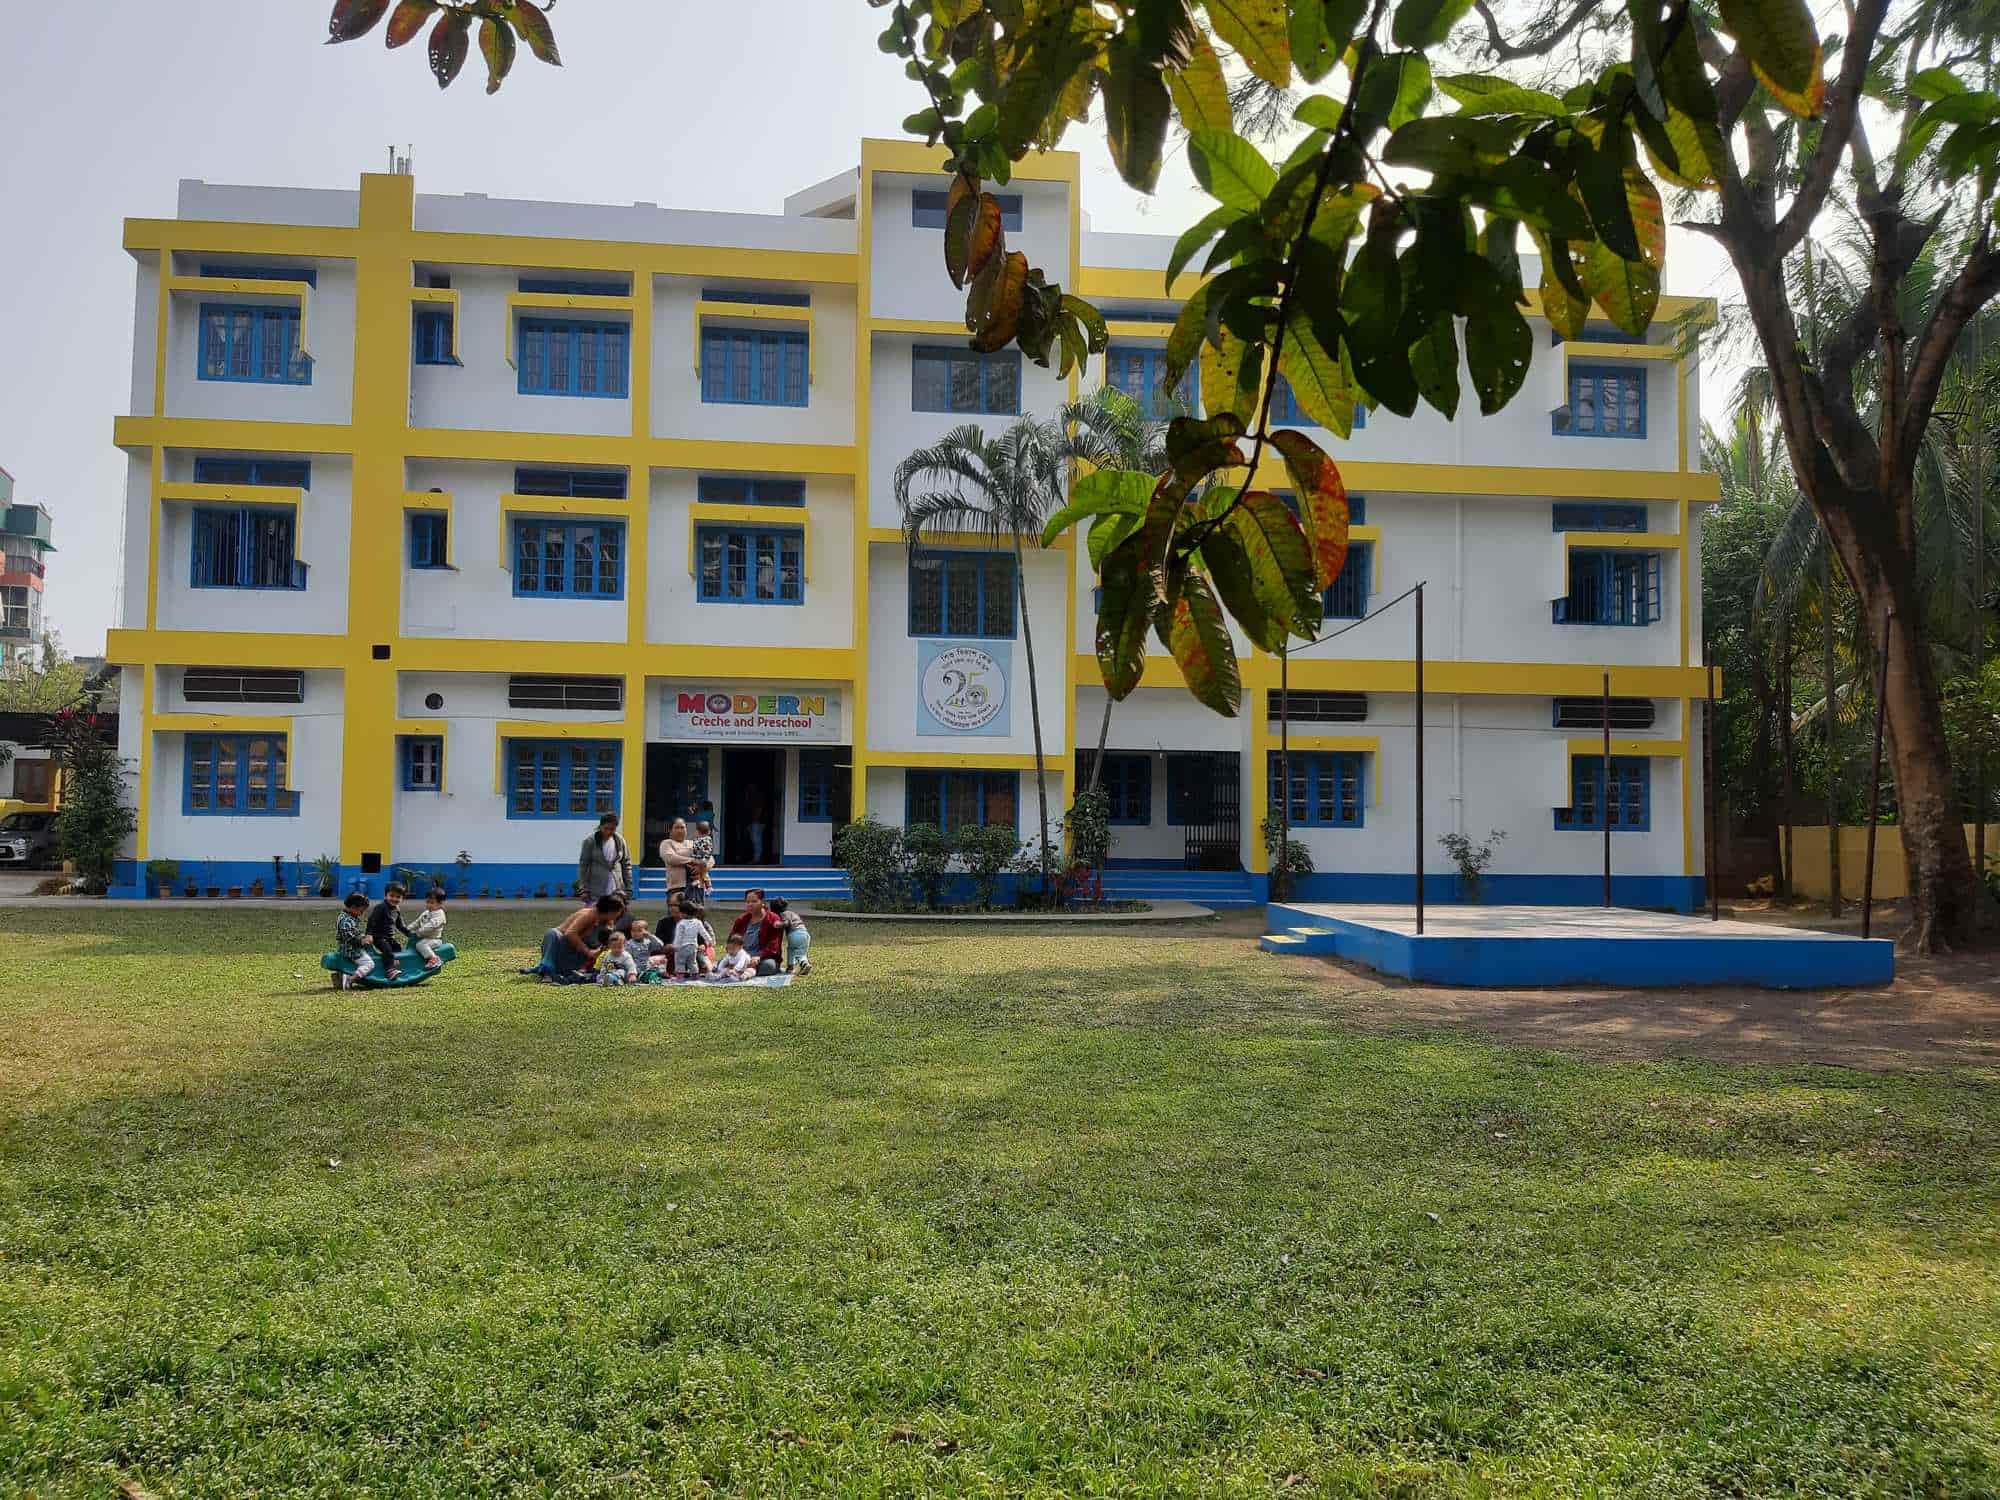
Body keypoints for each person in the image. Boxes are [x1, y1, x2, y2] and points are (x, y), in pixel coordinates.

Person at [527, 893, 625, 983]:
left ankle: (561, 972)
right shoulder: (588, 915)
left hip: (579, 960)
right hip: (562, 951)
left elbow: (608, 942)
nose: (619, 915)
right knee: (551, 933)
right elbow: (570, 933)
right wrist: (588, 952)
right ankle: (546, 970)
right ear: (610, 911)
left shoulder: (608, 922)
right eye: (618, 911)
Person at [578, 811, 633, 903]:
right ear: (600, 826)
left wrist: (629, 888)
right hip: (596, 890)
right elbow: (583, 866)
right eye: (606, 828)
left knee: (616, 915)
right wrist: (583, 889)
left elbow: (626, 865)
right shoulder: (590, 842)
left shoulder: (620, 841)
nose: (609, 831)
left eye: (612, 829)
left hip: (617, 889)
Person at [728, 887, 784, 977]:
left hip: (763, 958)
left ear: (762, 902)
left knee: (769, 966)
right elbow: (731, 940)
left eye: (754, 901)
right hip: (742, 956)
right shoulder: (741, 920)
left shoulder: (773, 919)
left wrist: (759, 957)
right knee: (724, 961)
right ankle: (743, 969)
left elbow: (774, 945)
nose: (750, 904)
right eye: (748, 902)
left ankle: (739, 970)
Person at [366, 882, 412, 982]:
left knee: (397, 947)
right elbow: (372, 920)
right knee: (387, 949)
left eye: (398, 897)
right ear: (385, 895)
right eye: (391, 896)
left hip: (389, 937)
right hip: (378, 937)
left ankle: (392, 962)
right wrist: (369, 934)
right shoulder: (381, 907)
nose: (394, 899)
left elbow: (400, 926)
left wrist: (410, 934)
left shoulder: (397, 910)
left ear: (402, 898)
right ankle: (390, 970)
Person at [657, 817, 698, 913]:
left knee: (694, 917)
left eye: (682, 827)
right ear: (670, 830)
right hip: (676, 888)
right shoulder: (667, 843)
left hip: (694, 886)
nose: (680, 830)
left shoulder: (693, 844)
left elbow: (708, 858)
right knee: (675, 917)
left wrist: (704, 866)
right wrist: (692, 860)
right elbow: (670, 858)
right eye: (677, 828)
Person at [335, 892, 373, 988]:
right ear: (353, 907)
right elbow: (349, 937)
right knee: (369, 963)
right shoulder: (347, 921)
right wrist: (362, 940)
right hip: (351, 949)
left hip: (348, 947)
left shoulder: (345, 916)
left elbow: (353, 932)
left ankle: (341, 976)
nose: (362, 913)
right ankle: (351, 979)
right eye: (361, 911)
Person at [768, 896, 812, 976]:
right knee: (800, 952)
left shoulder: (784, 914)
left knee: (793, 951)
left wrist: (779, 925)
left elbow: (787, 922)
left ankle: (792, 967)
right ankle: (804, 963)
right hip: (805, 934)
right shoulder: (792, 913)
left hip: (794, 933)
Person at [407, 887, 448, 972]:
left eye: (432, 903)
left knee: (420, 945)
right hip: (424, 937)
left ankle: (434, 959)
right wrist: (407, 929)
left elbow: (431, 926)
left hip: (434, 939)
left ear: (440, 903)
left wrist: (419, 932)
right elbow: (417, 922)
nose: (428, 905)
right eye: (427, 902)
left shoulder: (440, 915)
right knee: (413, 943)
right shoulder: (426, 913)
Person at [672, 902, 715, 980]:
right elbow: (704, 933)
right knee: (692, 962)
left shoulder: (681, 924)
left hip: (682, 947)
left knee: (680, 962)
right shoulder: (698, 922)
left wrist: (676, 946)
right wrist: (709, 941)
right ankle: (695, 976)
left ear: (684, 914)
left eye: (680, 912)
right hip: (693, 947)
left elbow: (679, 936)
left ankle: (680, 978)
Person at [742, 783, 769, 864]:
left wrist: (755, 820)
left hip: (757, 822)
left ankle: (757, 859)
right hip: (753, 822)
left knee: (756, 841)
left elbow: (758, 809)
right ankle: (756, 858)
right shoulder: (751, 797)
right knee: (754, 841)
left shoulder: (757, 797)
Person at [689, 819, 715, 897]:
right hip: (703, 859)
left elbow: (703, 851)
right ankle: (708, 886)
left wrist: (703, 860)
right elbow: (707, 850)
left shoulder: (701, 840)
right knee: (703, 872)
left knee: (698, 869)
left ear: (697, 831)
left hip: (703, 859)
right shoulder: (705, 839)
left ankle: (698, 881)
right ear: (709, 832)